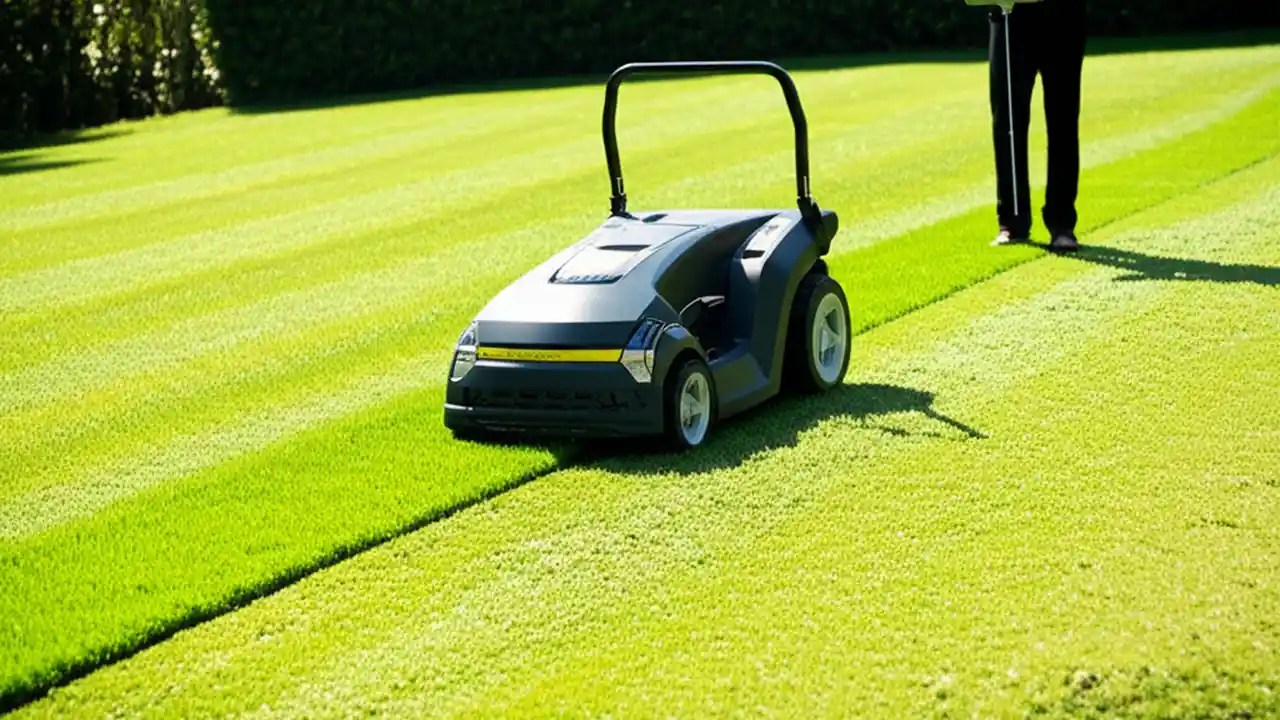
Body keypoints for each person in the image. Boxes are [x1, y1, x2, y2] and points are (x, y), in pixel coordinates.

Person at [987, 0, 1087, 251]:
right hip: (1010, 14)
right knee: (1007, 121)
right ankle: (1012, 222)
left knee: (1063, 118)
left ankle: (1062, 224)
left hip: (1063, 15)